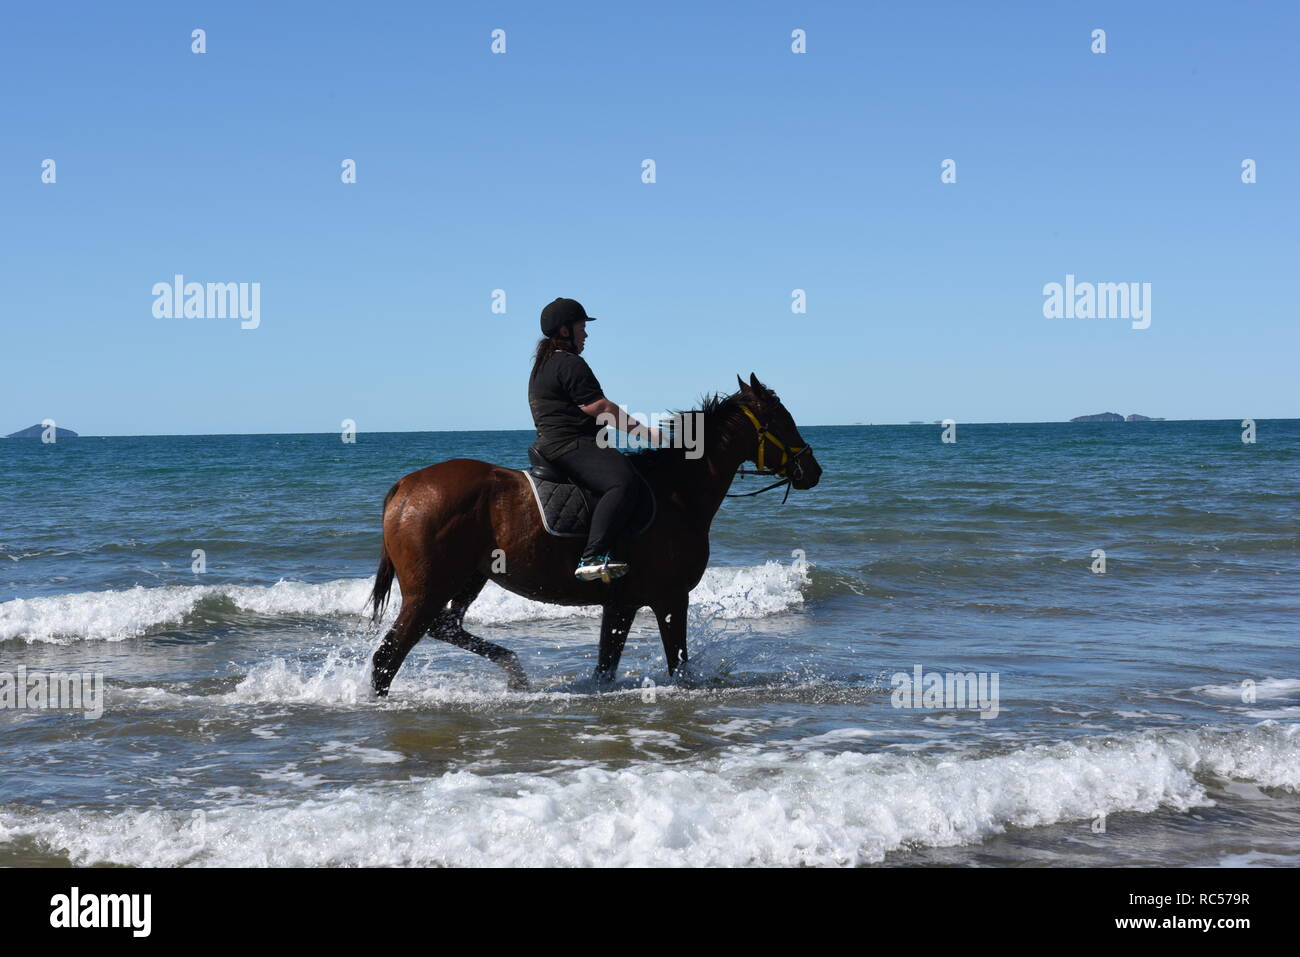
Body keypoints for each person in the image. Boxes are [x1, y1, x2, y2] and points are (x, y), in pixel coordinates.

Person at [528, 298, 660, 582]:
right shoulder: (569, 363)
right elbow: (601, 408)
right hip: (570, 444)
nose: (585, 334)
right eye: (581, 328)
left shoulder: (545, 364)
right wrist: (647, 434)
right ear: (565, 332)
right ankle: (593, 555)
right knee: (622, 481)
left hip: (552, 444)